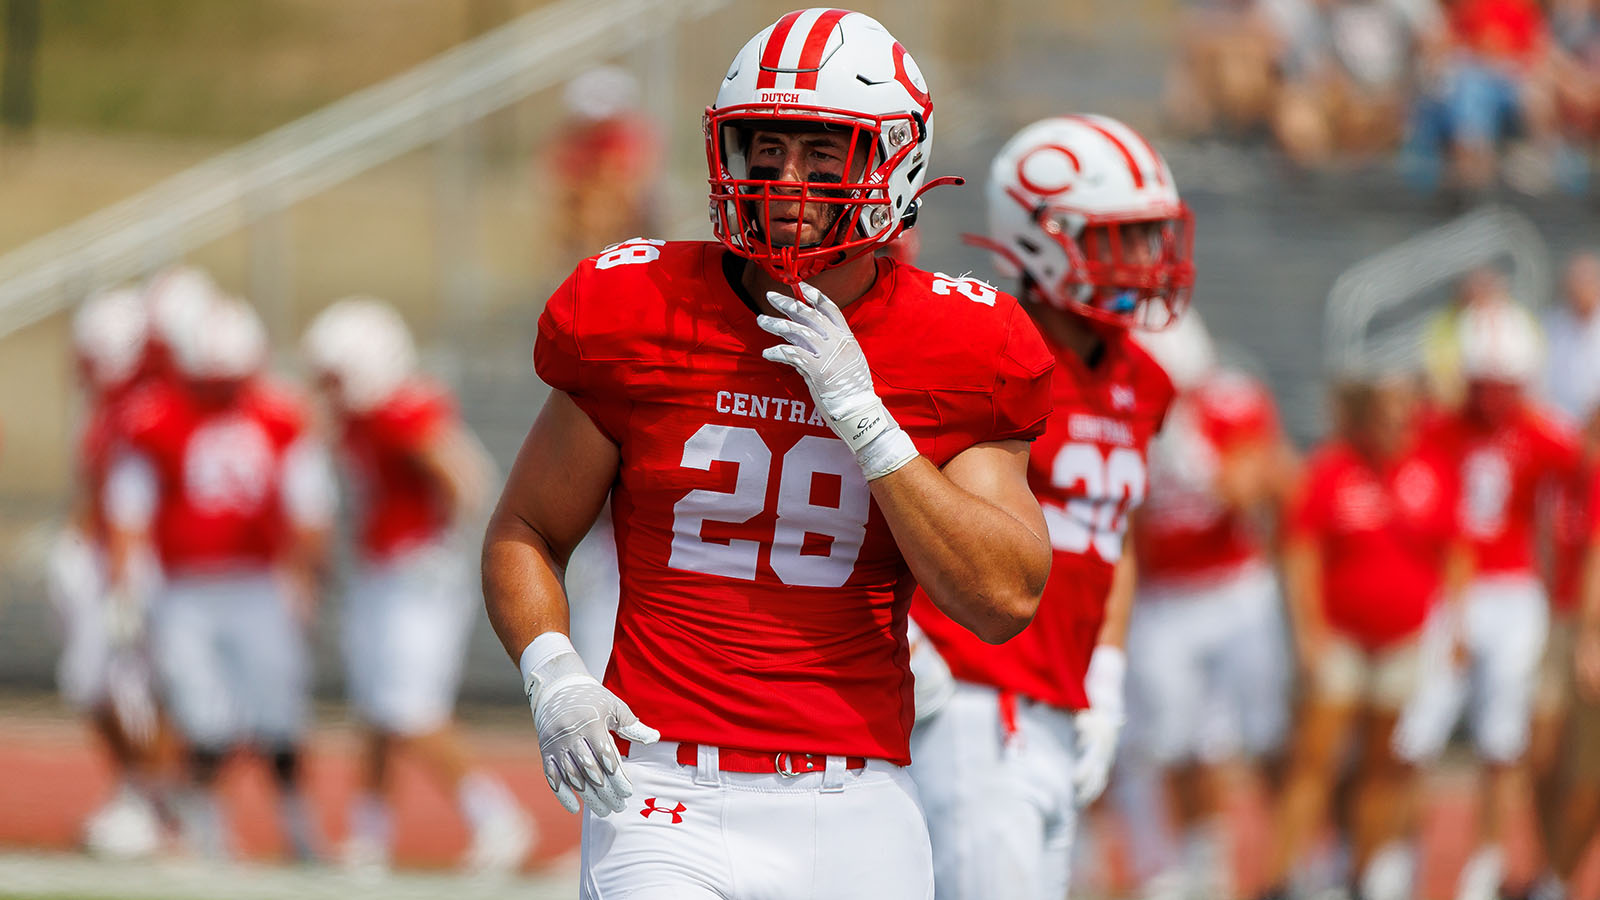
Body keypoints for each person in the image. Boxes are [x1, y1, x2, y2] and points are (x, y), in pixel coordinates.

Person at [481, 9, 1056, 898]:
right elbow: (524, 525)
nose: (786, 183)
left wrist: (868, 421)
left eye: (824, 158)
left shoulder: (959, 341)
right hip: (658, 784)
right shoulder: (638, 306)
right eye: (765, 147)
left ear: (895, 161)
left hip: (855, 796)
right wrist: (554, 676)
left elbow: (1004, 596)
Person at [907, 113, 1196, 900]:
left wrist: (1104, 675)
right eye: (1120, 238)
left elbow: (1115, 536)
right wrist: (904, 637)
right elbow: (897, 501)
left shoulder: (1147, 377)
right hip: (972, 690)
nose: (1146, 259)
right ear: (1043, 235)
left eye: (1150, 235)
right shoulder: (986, 350)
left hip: (1061, 702)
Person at [301, 297, 534, 875]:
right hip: (383, 571)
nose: (327, 389)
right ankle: (368, 835)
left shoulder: (404, 411)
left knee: (411, 711)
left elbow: (468, 479)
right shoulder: (363, 415)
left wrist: (445, 547)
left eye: (335, 375)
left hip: (417, 575)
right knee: (377, 712)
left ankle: (498, 818)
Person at [105, 296, 332, 861]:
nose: (221, 391)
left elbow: (310, 512)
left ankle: (300, 832)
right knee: (203, 721)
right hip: (185, 589)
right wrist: (129, 586)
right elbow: (128, 511)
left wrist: (306, 577)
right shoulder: (156, 417)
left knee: (279, 715)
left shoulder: (280, 417)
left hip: (258, 584)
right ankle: (206, 837)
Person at [1394, 300, 1580, 900]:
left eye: (1505, 384)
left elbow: (1586, 475)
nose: (1495, 397)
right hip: (1448, 591)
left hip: (1514, 591)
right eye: (1485, 384)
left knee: (1504, 744)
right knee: (1416, 735)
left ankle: (1486, 866)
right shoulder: (1436, 428)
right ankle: (1396, 861)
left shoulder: (1542, 430)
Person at [1259, 374, 1461, 900]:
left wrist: (1456, 624)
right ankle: (1278, 878)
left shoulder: (1431, 471)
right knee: (1315, 759)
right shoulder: (1332, 470)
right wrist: (1308, 632)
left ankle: (1360, 875)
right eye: (1385, 414)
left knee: (1381, 766)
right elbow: (1301, 550)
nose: (1395, 425)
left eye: (1402, 414)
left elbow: (1455, 550)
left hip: (1403, 639)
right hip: (1341, 638)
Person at [1124, 311, 1297, 900]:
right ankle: (1201, 862)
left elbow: (1260, 483)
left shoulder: (1232, 403)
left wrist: (1196, 459)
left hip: (1233, 588)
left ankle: (1299, 855)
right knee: (1176, 740)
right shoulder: (1123, 415)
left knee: (1264, 733)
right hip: (1166, 594)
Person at [50, 287, 166, 859]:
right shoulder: (109, 409)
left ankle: (153, 803)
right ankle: (138, 796)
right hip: (100, 559)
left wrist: (123, 582)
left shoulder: (138, 409)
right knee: (95, 687)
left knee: (124, 691)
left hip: (126, 565)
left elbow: (132, 507)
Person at [1541, 252, 1600, 421]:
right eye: (1575, 283)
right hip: (1558, 425)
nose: (1579, 289)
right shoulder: (1550, 324)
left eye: (1586, 282)